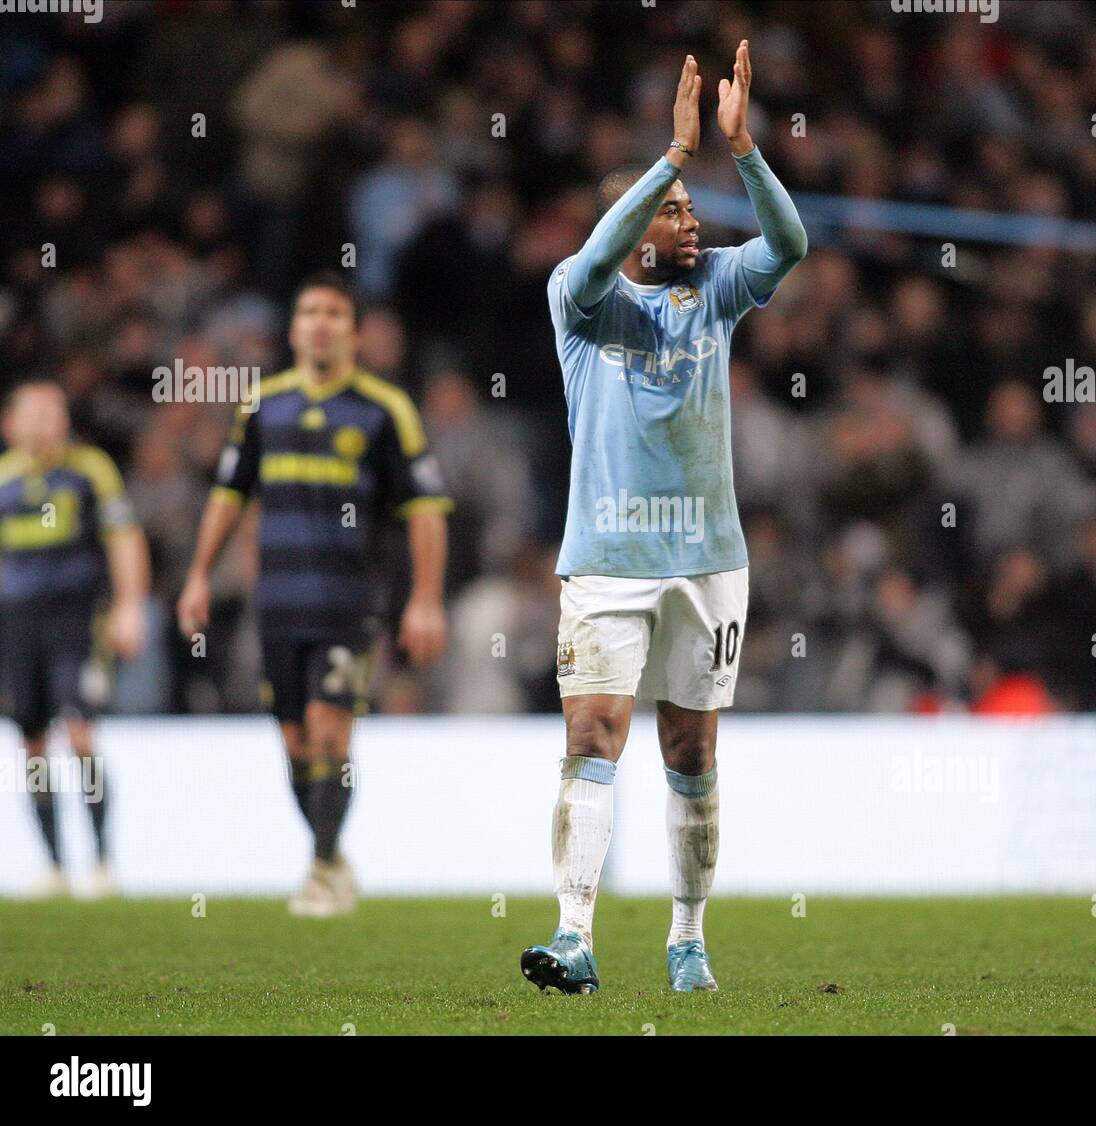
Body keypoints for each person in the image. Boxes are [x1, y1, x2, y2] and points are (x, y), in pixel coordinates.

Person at [521, 42, 806, 993]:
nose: (692, 222)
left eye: (690, 210)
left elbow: (792, 246)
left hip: (708, 560)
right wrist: (672, 161)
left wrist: (744, 150)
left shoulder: (716, 290)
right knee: (593, 733)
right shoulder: (581, 298)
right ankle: (574, 938)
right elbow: (601, 254)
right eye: (675, 213)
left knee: (691, 749)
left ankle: (688, 938)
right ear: (635, 219)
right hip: (606, 557)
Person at [176, 273, 451, 917]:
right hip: (277, 604)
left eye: (334, 312)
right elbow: (228, 493)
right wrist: (197, 574)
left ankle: (321, 869)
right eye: (308, 311)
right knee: (296, 741)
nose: (320, 322)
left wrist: (426, 599)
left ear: (354, 332)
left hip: (349, 603)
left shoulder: (385, 408)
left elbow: (427, 507)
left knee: (331, 730)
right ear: (294, 329)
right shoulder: (261, 405)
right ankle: (331, 853)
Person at [0, 382, 149, 898]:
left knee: (80, 735)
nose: (43, 422)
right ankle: (55, 866)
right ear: (10, 423)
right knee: (33, 745)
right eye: (33, 412)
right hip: (16, 628)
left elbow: (124, 537)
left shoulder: (90, 470)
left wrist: (130, 606)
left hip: (76, 624)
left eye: (53, 412)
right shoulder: (2, 480)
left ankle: (103, 861)